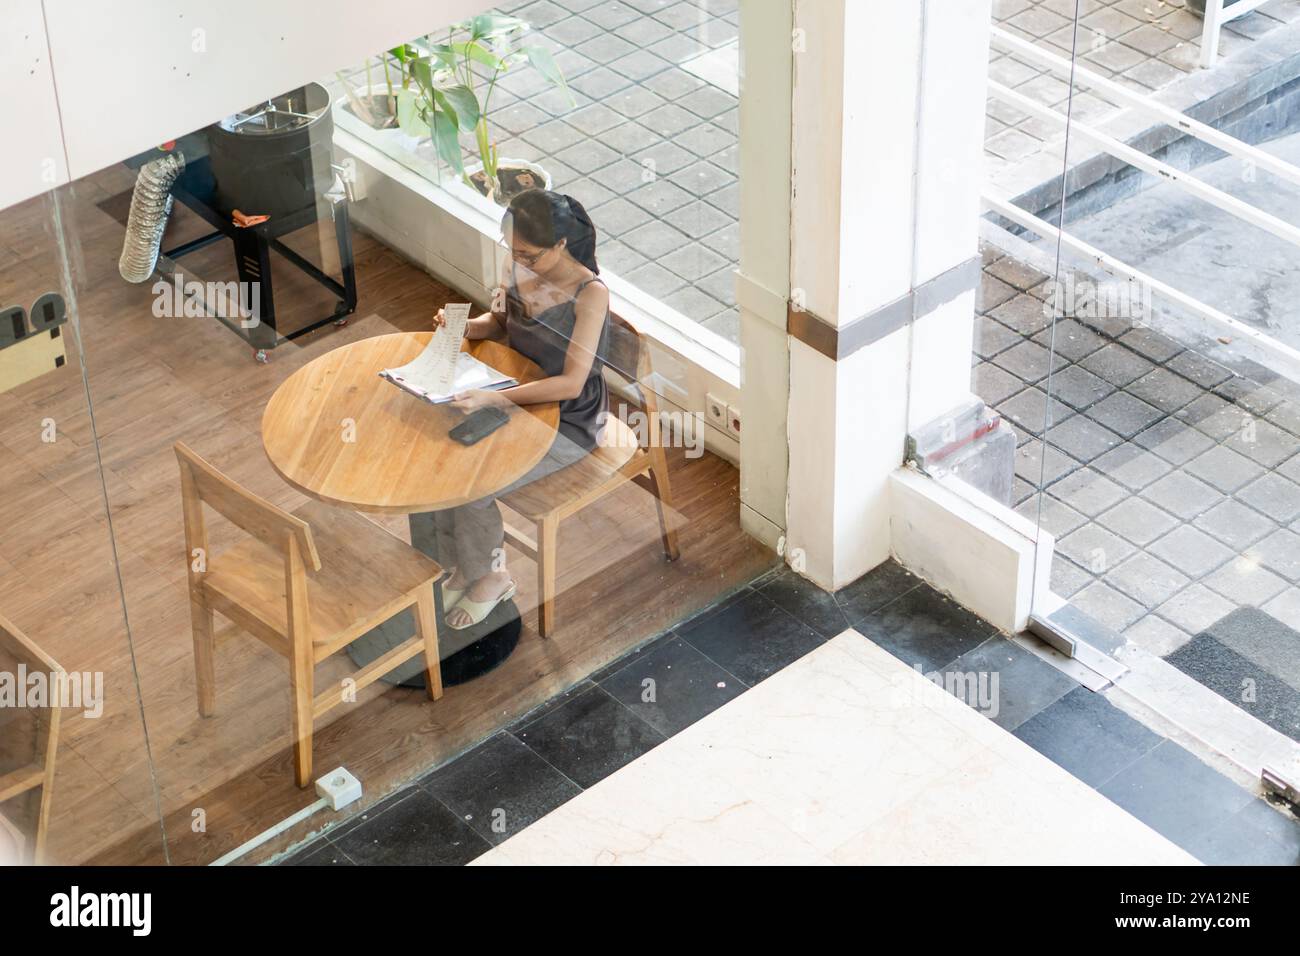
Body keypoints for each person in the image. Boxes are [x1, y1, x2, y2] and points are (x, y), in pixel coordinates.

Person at [421, 188, 611, 630]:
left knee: (475, 484)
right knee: (441, 455)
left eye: (528, 254)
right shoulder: (518, 264)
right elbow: (502, 321)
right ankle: (463, 566)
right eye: (513, 251)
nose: (518, 261)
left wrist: (499, 398)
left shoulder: (590, 294)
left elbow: (571, 383)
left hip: (569, 421)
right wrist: (466, 326)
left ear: (561, 244)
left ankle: (492, 577)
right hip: (515, 394)